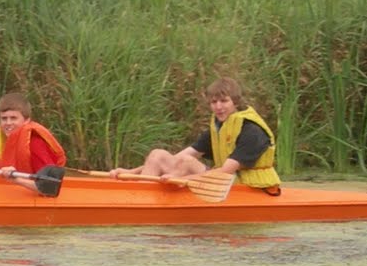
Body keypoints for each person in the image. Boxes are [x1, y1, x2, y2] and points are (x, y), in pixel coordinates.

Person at [112, 77, 281, 194]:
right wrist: (132, 172)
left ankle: (145, 199)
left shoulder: (252, 131)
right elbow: (177, 158)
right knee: (158, 155)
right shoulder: (219, 127)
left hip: (250, 189)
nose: (218, 107)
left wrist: (184, 179)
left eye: (224, 101)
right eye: (214, 102)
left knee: (186, 163)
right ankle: (141, 195)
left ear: (235, 101)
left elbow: (225, 171)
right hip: (222, 182)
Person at [0, 91, 66, 192]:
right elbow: (2, 178)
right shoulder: (5, 142)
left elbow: (50, 187)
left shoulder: (35, 144)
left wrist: (16, 180)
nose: (8, 123)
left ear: (26, 120)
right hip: (14, 196)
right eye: (4, 119)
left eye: (13, 118)